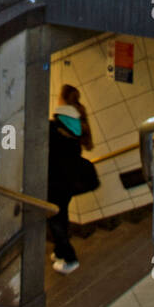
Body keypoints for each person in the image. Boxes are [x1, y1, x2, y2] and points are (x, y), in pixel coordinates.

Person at [47, 84, 94, 274]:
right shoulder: (76, 124)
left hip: (55, 180)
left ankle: (69, 258)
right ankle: (59, 251)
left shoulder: (56, 126)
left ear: (63, 100)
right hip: (68, 180)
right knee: (61, 215)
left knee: (55, 219)